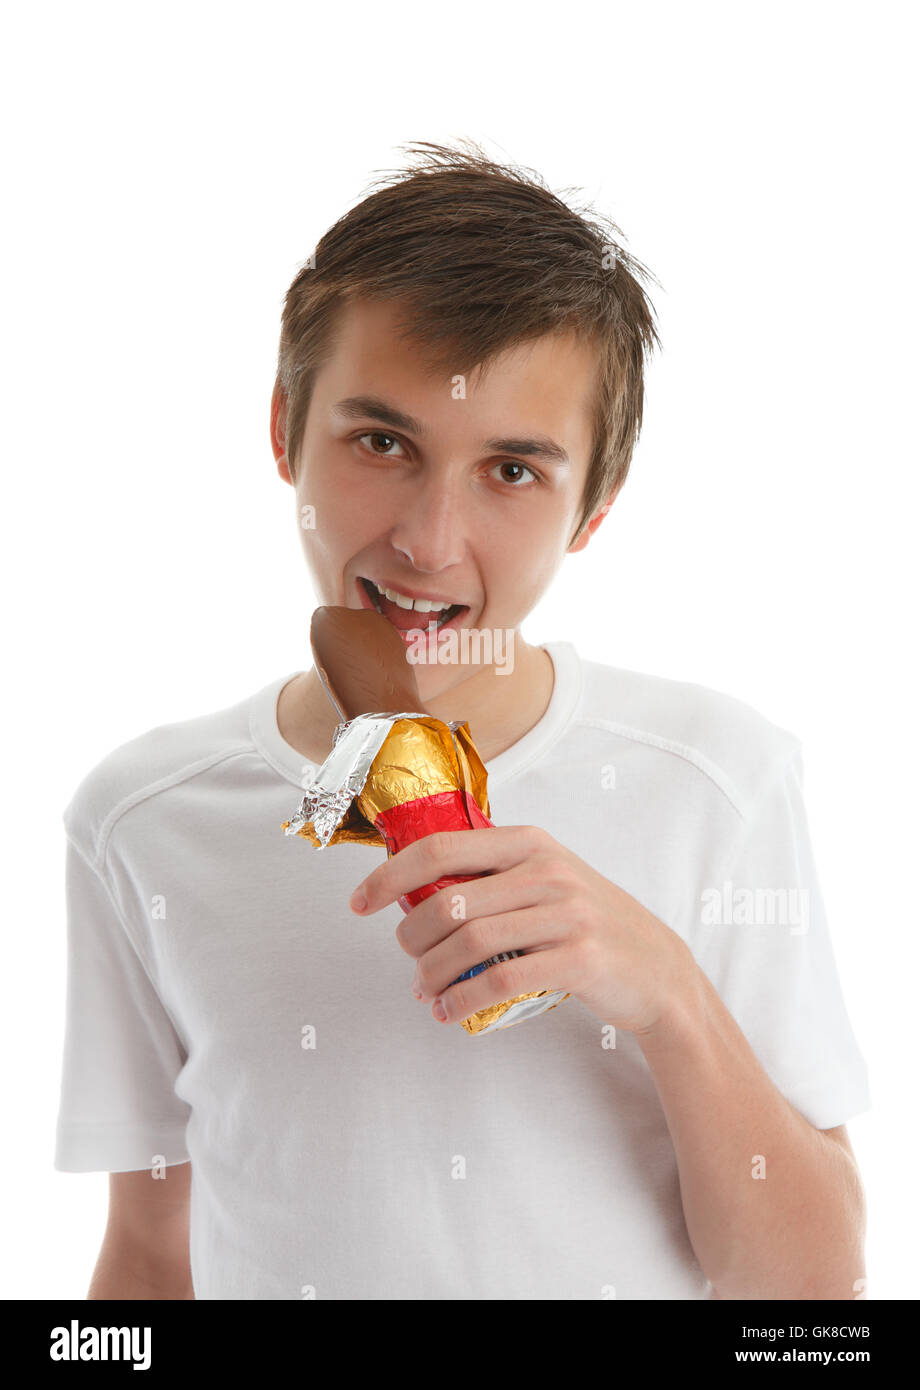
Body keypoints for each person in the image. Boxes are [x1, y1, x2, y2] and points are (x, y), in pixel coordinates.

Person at [54, 140, 869, 1300]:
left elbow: (811, 1295)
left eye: (512, 470)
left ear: (593, 503)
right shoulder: (140, 820)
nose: (429, 543)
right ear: (285, 431)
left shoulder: (716, 782)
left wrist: (667, 992)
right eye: (381, 443)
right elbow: (145, 1257)